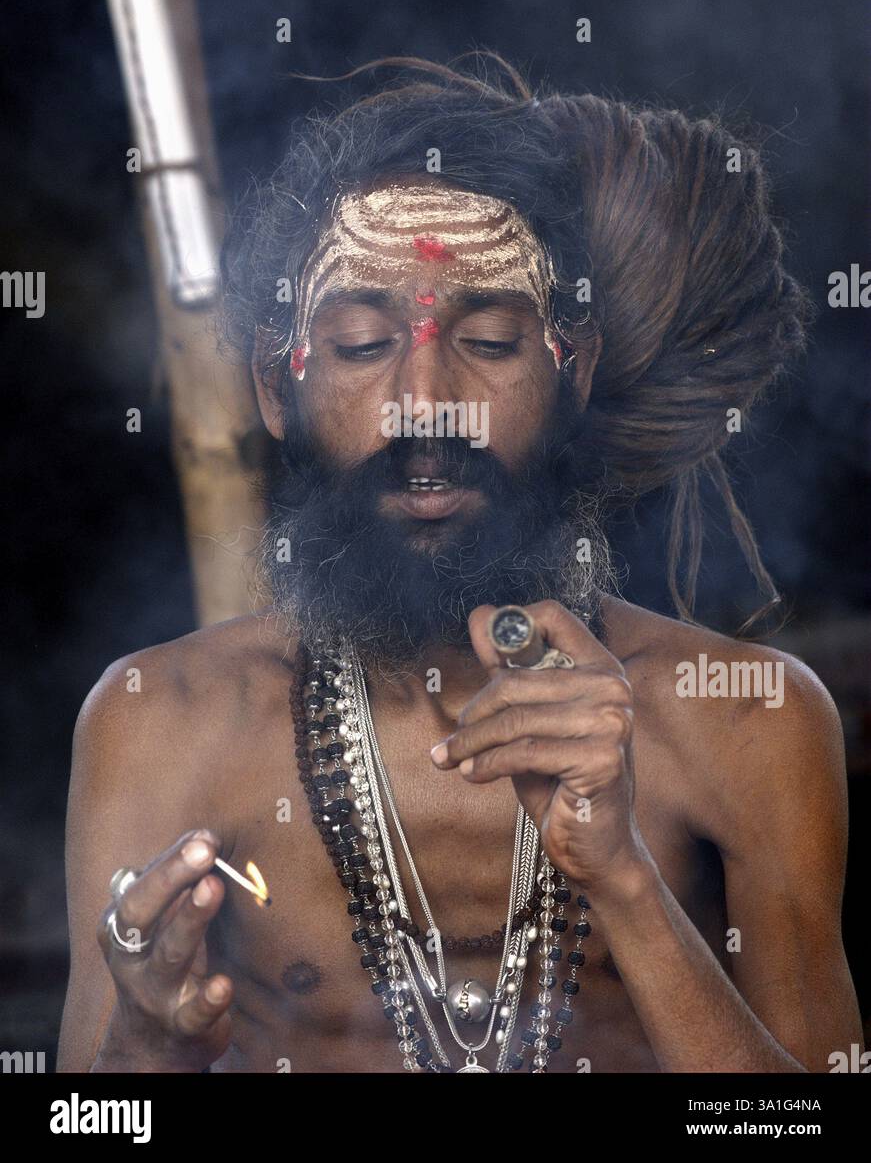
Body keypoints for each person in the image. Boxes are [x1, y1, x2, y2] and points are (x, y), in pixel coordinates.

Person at [58, 56, 861, 1073]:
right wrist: (146, 1039)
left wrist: (621, 881)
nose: (426, 401)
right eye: (358, 345)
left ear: (574, 370)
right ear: (277, 385)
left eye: (486, 338)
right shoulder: (155, 717)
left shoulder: (750, 719)